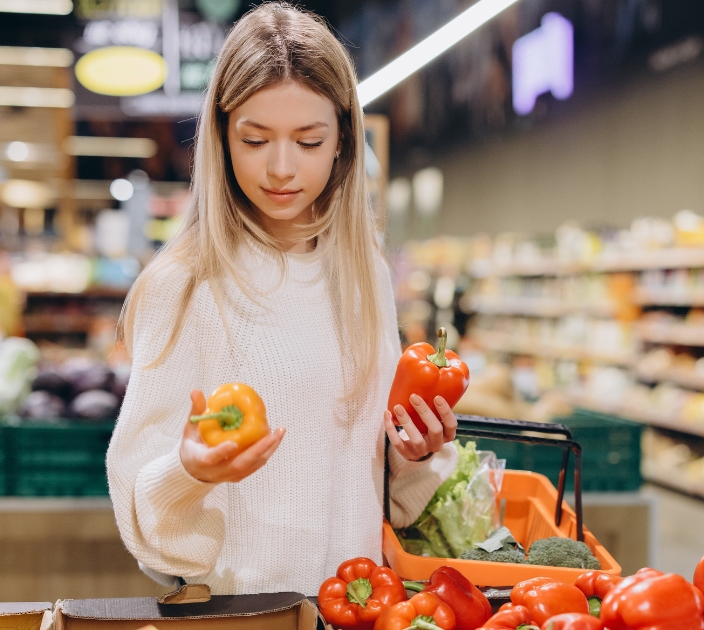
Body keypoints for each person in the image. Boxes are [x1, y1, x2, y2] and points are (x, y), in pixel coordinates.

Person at [107, 3, 460, 596]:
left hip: (355, 603)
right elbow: (142, 506)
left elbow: (370, 475)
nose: (280, 168)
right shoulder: (185, 283)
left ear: (344, 142)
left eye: (309, 140)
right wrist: (188, 472)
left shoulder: (363, 273)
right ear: (221, 137)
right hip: (242, 615)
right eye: (254, 138)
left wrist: (416, 456)